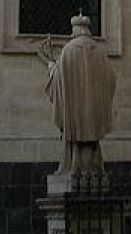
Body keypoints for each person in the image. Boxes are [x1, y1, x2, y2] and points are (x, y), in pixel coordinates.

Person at [45, 13, 116, 175]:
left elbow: (58, 79)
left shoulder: (68, 50)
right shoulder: (99, 51)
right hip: (93, 112)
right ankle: (93, 168)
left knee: (75, 137)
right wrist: (99, 98)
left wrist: (50, 64)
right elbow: (112, 79)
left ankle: (74, 167)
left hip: (75, 111)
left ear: (75, 30)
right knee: (91, 139)